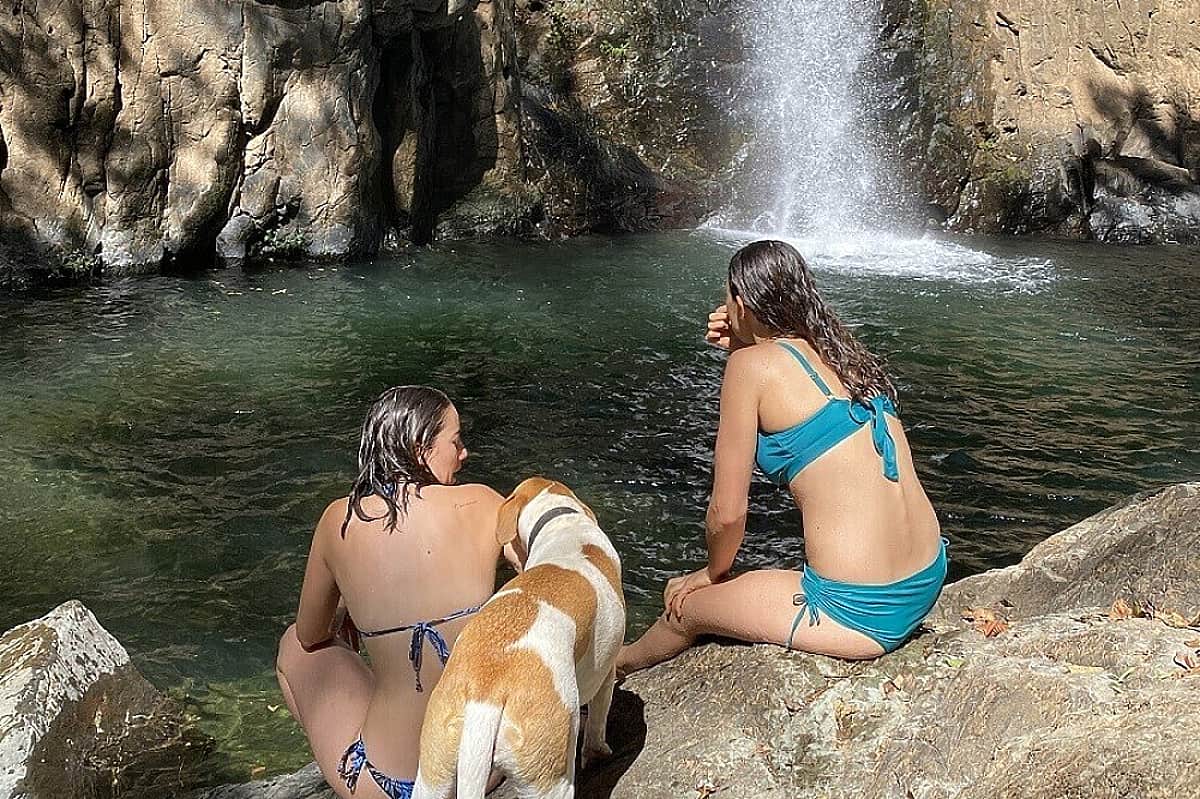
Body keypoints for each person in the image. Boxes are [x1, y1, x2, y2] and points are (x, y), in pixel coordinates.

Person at [618, 240, 946, 675]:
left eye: (728, 298)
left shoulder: (751, 368)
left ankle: (613, 674)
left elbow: (728, 514)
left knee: (685, 609)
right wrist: (743, 343)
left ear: (740, 301)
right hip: (926, 578)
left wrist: (712, 574)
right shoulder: (842, 354)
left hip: (860, 612)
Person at [276, 386, 515, 799]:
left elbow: (311, 634)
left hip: (392, 786)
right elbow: (546, 564)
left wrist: (355, 606)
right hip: (481, 771)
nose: (464, 454)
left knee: (292, 650)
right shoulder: (483, 502)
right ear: (422, 449)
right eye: (455, 442)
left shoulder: (342, 520)